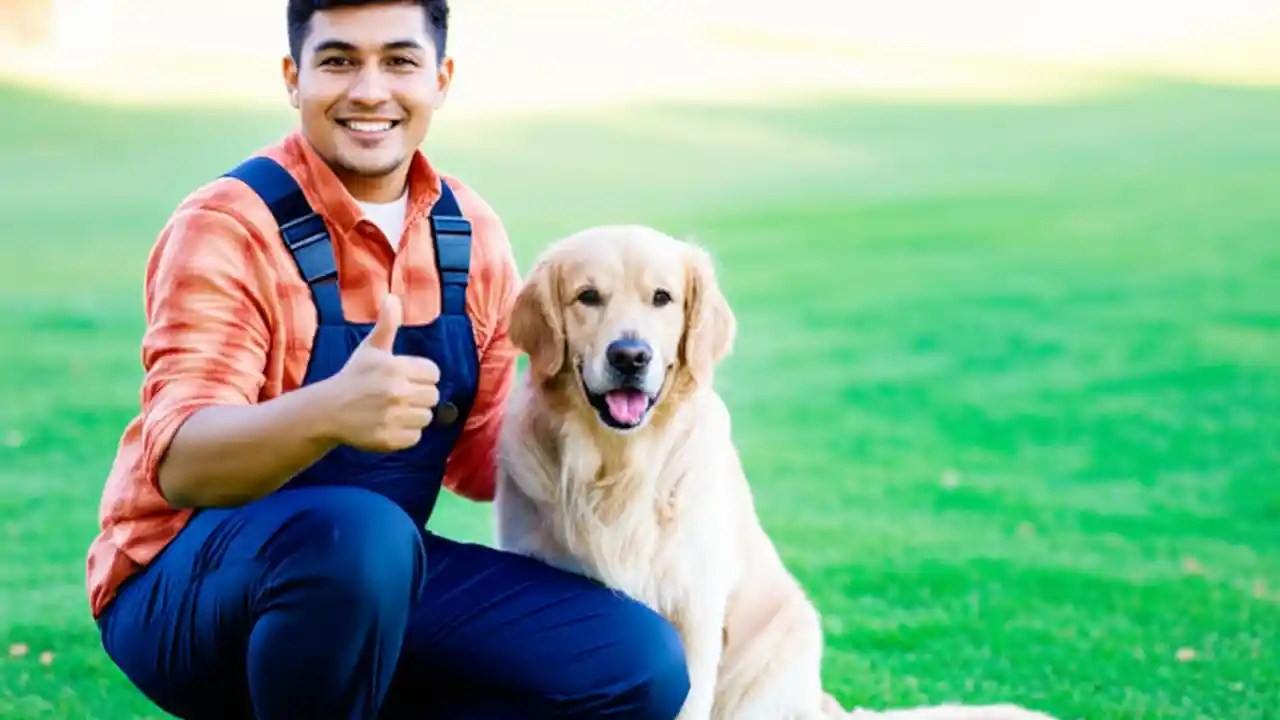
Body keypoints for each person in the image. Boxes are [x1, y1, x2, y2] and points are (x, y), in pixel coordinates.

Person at [84, 1, 691, 717]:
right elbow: (183, 466)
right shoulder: (227, 227)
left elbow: (482, 463)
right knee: (360, 537)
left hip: (374, 577)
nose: (370, 91)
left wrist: (629, 426)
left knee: (635, 664)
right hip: (185, 587)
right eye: (339, 61)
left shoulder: (468, 233)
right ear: (293, 78)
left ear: (440, 79)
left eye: (399, 62)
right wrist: (329, 413)